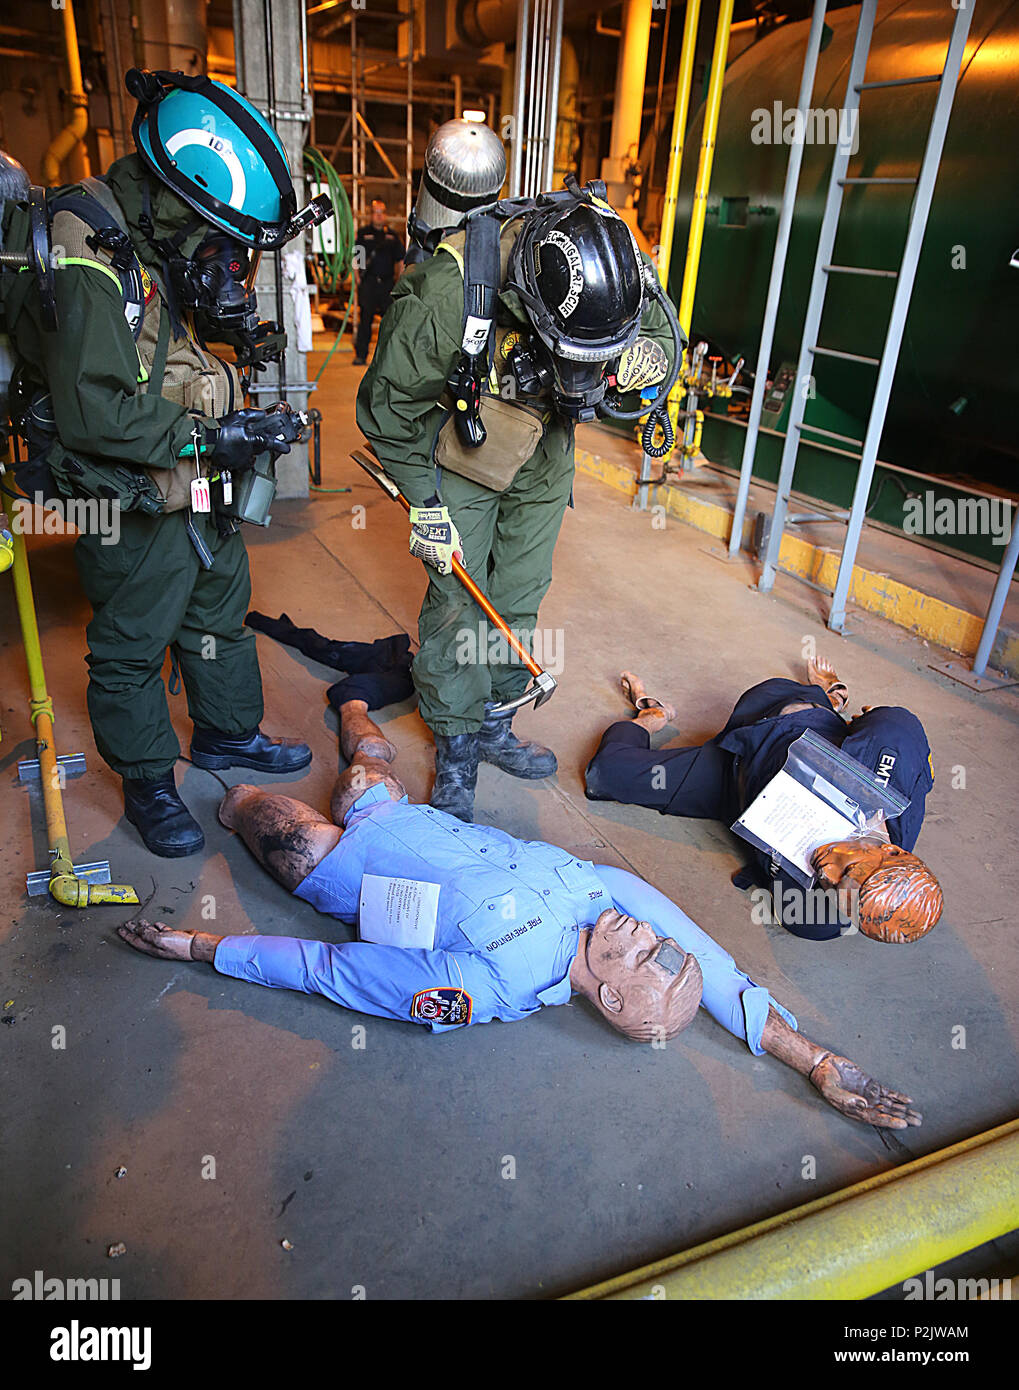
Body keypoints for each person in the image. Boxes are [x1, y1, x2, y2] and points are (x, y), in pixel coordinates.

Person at [119, 696, 923, 1129]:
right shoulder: (608, 910)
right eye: (656, 941)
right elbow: (713, 965)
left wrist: (203, 948)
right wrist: (813, 1058)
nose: (648, 934)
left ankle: (245, 778)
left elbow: (334, 970)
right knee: (365, 758)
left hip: (336, 864)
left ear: (608, 997)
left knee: (244, 802)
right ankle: (354, 703)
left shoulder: (487, 986)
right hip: (411, 817)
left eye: (645, 957)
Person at [0, 70, 324, 858]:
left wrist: (231, 402)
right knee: (133, 640)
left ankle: (223, 735)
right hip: (131, 490)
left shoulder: (138, 239)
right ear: (172, 198)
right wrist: (214, 438)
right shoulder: (85, 250)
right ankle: (148, 780)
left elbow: (160, 351)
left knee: (217, 610)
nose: (215, 255)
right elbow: (98, 410)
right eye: (210, 235)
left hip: (191, 476)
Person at [357, 175, 683, 822]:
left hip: (545, 445)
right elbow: (388, 409)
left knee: (520, 593)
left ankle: (494, 725)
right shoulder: (450, 291)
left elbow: (660, 334)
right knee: (457, 602)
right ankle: (455, 746)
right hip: (464, 447)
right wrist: (423, 503)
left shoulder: (614, 262)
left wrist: (643, 364)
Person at [584, 657, 943, 943]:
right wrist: (857, 724)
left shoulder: (814, 919)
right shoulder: (891, 756)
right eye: (845, 869)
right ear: (892, 851)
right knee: (798, 705)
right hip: (771, 723)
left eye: (834, 890)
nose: (825, 873)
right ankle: (826, 698)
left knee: (609, 774)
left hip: (735, 791)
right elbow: (892, 721)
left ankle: (654, 716)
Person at [352, 201, 405, 365]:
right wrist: (358, 279)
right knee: (365, 320)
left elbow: (400, 260)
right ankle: (361, 354)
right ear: (371, 215)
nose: (379, 215)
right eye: (376, 212)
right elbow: (357, 259)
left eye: (382, 212)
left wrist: (400, 281)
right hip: (369, 283)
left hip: (387, 283)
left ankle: (389, 356)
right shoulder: (363, 234)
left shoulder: (392, 236)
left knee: (390, 321)